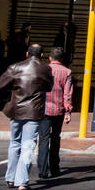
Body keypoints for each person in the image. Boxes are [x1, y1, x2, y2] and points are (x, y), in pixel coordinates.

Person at [0, 43, 53, 190]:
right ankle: (22, 182)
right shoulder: (46, 69)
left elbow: (0, 85)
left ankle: (10, 178)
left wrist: (14, 87)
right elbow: (49, 87)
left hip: (16, 110)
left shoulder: (15, 67)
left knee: (15, 142)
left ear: (27, 54)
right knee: (28, 145)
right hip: (34, 112)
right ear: (41, 55)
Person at [38, 46, 73, 179]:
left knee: (43, 139)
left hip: (43, 109)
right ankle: (54, 167)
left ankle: (42, 170)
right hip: (58, 110)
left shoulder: (43, 70)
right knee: (55, 138)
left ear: (50, 57)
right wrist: (68, 111)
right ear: (62, 58)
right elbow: (67, 94)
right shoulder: (67, 72)